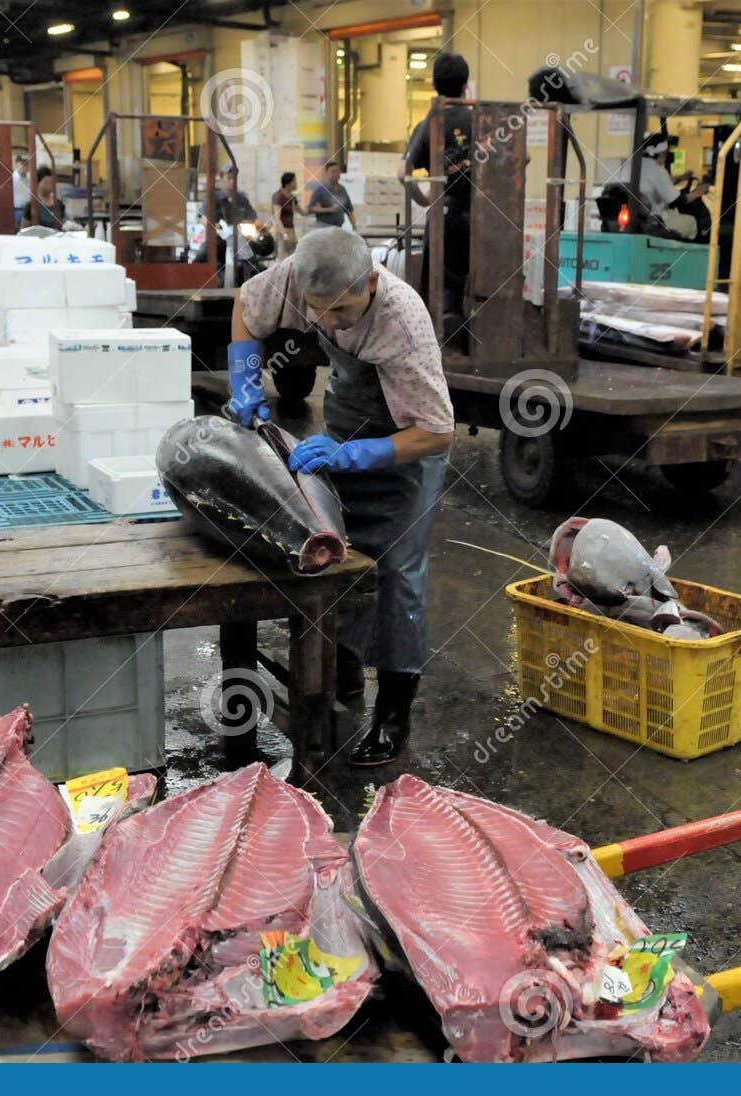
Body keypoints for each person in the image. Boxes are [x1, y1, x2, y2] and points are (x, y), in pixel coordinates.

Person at [229, 228, 454, 767]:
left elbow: (437, 432)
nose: (329, 323)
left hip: (405, 452)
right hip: (343, 429)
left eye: (344, 311)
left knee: (396, 573)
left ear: (371, 281)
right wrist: (244, 380)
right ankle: (344, 673)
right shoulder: (295, 277)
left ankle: (393, 714)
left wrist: (354, 455)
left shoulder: (403, 321)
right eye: (318, 311)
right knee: (334, 551)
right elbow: (247, 307)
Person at [402, 52, 474, 333]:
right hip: (484, 217)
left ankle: (446, 330)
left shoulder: (429, 124)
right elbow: (523, 157)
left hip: (445, 217)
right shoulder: (485, 119)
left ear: (433, 84)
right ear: (466, 85)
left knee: (443, 289)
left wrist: (426, 201)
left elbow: (403, 173)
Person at [616, 133, 709, 241]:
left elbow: (655, 183)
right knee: (693, 222)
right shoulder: (657, 170)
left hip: (636, 214)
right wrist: (698, 191)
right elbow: (677, 201)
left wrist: (682, 177)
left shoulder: (630, 165)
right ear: (662, 153)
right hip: (655, 219)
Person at [305, 161, 356, 230]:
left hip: (338, 227)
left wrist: (354, 225)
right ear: (326, 173)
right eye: (333, 171)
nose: (336, 173)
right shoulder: (320, 190)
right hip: (323, 227)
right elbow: (311, 208)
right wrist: (329, 209)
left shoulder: (342, 189)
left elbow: (349, 209)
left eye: (338, 171)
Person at [270, 171, 305, 258]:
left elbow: (301, 212)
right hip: (282, 231)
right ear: (287, 184)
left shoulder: (292, 197)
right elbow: (277, 218)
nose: (296, 183)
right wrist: (284, 234)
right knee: (283, 257)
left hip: (291, 230)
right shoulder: (278, 196)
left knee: (293, 256)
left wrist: (314, 209)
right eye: (294, 181)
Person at [11, 154, 32, 218]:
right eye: (23, 163)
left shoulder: (30, 177)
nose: (25, 166)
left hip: (30, 210)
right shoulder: (11, 179)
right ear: (16, 164)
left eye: (27, 164)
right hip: (17, 210)